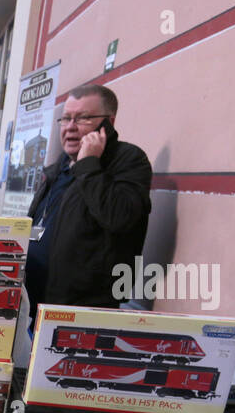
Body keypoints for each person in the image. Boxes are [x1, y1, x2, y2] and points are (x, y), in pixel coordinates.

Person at [25, 84, 152, 323]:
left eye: (83, 118)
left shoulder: (128, 160)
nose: (71, 127)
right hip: (33, 302)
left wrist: (89, 164)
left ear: (108, 123)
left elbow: (119, 216)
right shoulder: (57, 169)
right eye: (66, 119)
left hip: (83, 310)